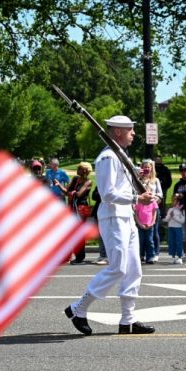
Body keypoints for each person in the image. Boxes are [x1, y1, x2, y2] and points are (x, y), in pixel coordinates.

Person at [64, 115, 156, 336]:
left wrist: (138, 178)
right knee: (118, 268)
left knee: (134, 269)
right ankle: (79, 308)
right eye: (130, 130)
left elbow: (122, 185)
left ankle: (128, 320)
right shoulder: (107, 157)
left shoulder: (120, 156)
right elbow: (107, 194)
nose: (134, 134)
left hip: (126, 217)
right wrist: (137, 199)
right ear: (117, 132)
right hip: (113, 217)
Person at [56, 161, 93, 264]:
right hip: (73, 208)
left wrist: (72, 193)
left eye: (79, 168)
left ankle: (80, 257)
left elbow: (79, 194)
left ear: (85, 170)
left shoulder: (88, 182)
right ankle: (69, 255)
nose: (77, 170)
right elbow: (67, 192)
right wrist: (59, 185)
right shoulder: (76, 179)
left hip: (81, 209)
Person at [139, 159, 164, 261]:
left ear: (151, 168)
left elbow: (160, 194)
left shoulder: (155, 180)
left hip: (152, 209)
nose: (146, 169)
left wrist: (155, 200)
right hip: (141, 209)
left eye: (148, 167)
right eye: (144, 167)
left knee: (153, 231)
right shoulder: (138, 180)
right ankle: (142, 253)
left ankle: (155, 252)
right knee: (141, 232)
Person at [163, 194, 185, 264]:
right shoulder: (170, 209)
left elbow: (182, 221)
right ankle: (173, 256)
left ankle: (179, 256)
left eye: (175, 200)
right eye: (172, 200)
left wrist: (174, 217)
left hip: (178, 228)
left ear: (179, 201)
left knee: (178, 242)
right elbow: (167, 219)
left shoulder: (182, 210)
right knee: (171, 242)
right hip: (171, 228)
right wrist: (166, 218)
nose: (173, 202)